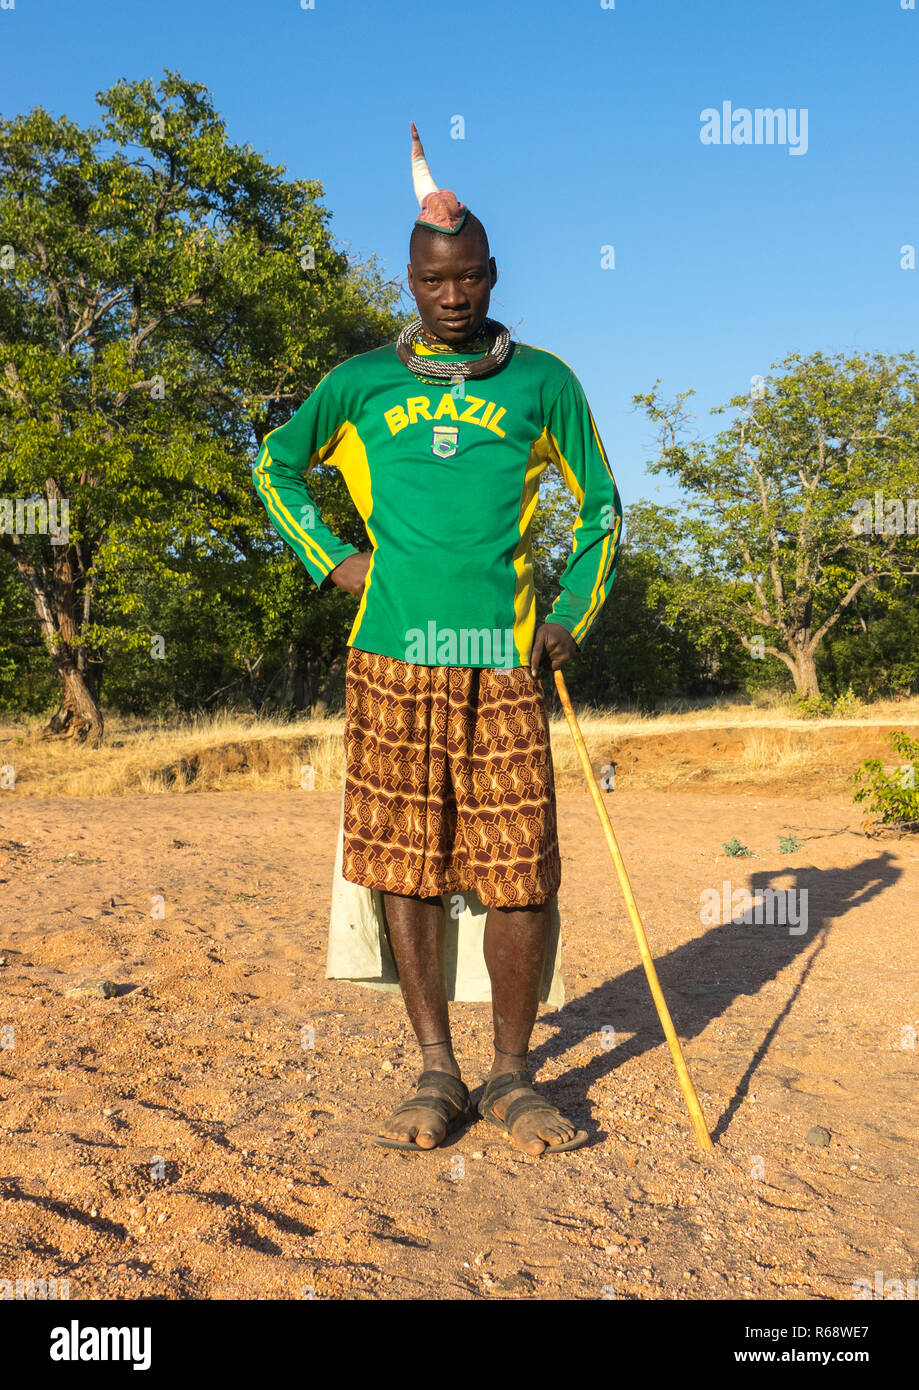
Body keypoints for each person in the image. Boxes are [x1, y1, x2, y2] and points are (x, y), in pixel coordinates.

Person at [252, 123, 622, 1155]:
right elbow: (273, 467)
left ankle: (511, 1074)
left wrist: (568, 618)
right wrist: (331, 557)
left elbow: (602, 508)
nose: (450, 295)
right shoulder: (361, 382)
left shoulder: (543, 381)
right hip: (393, 656)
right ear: (410, 280)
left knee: (520, 871)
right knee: (405, 864)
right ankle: (435, 1067)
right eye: (432, 279)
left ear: (490, 275)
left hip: (503, 663)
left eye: (466, 279)